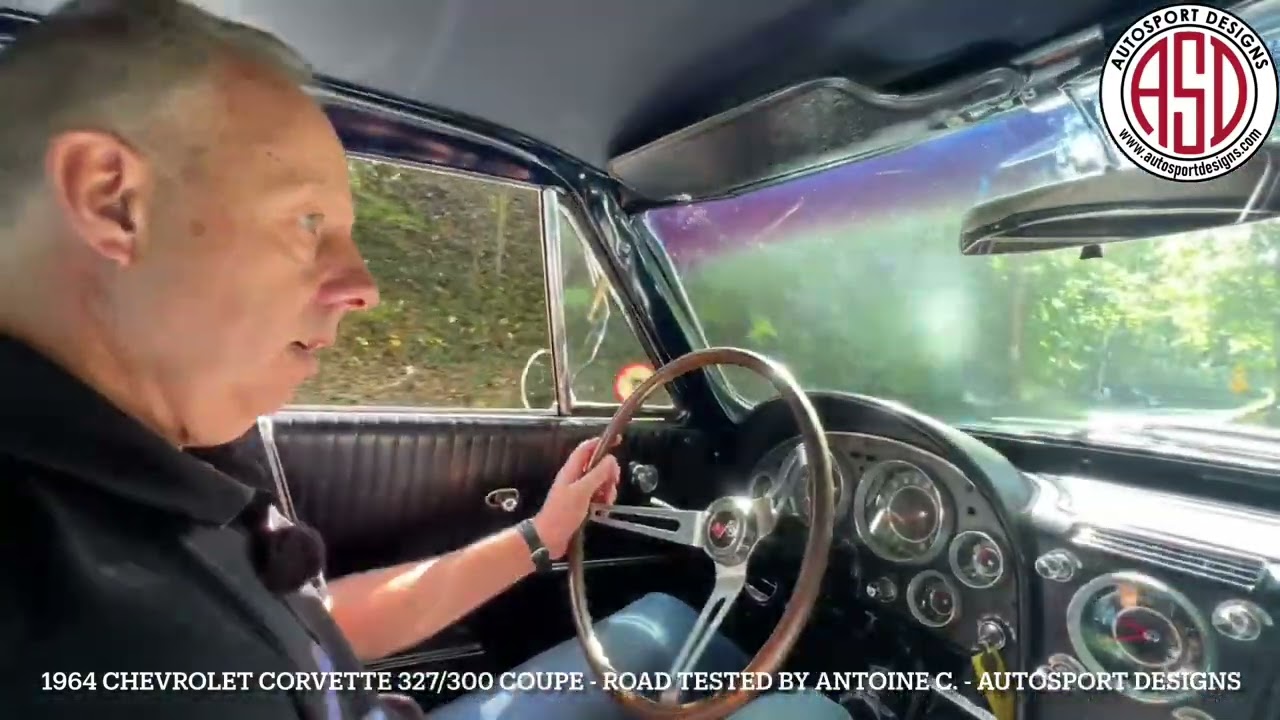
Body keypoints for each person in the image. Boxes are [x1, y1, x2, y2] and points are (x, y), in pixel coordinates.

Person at [0, 1, 851, 719]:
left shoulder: (157, 471)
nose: (364, 287)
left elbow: (312, 625)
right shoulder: (62, 615)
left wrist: (540, 536)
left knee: (663, 623)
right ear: (114, 199)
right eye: (307, 223)